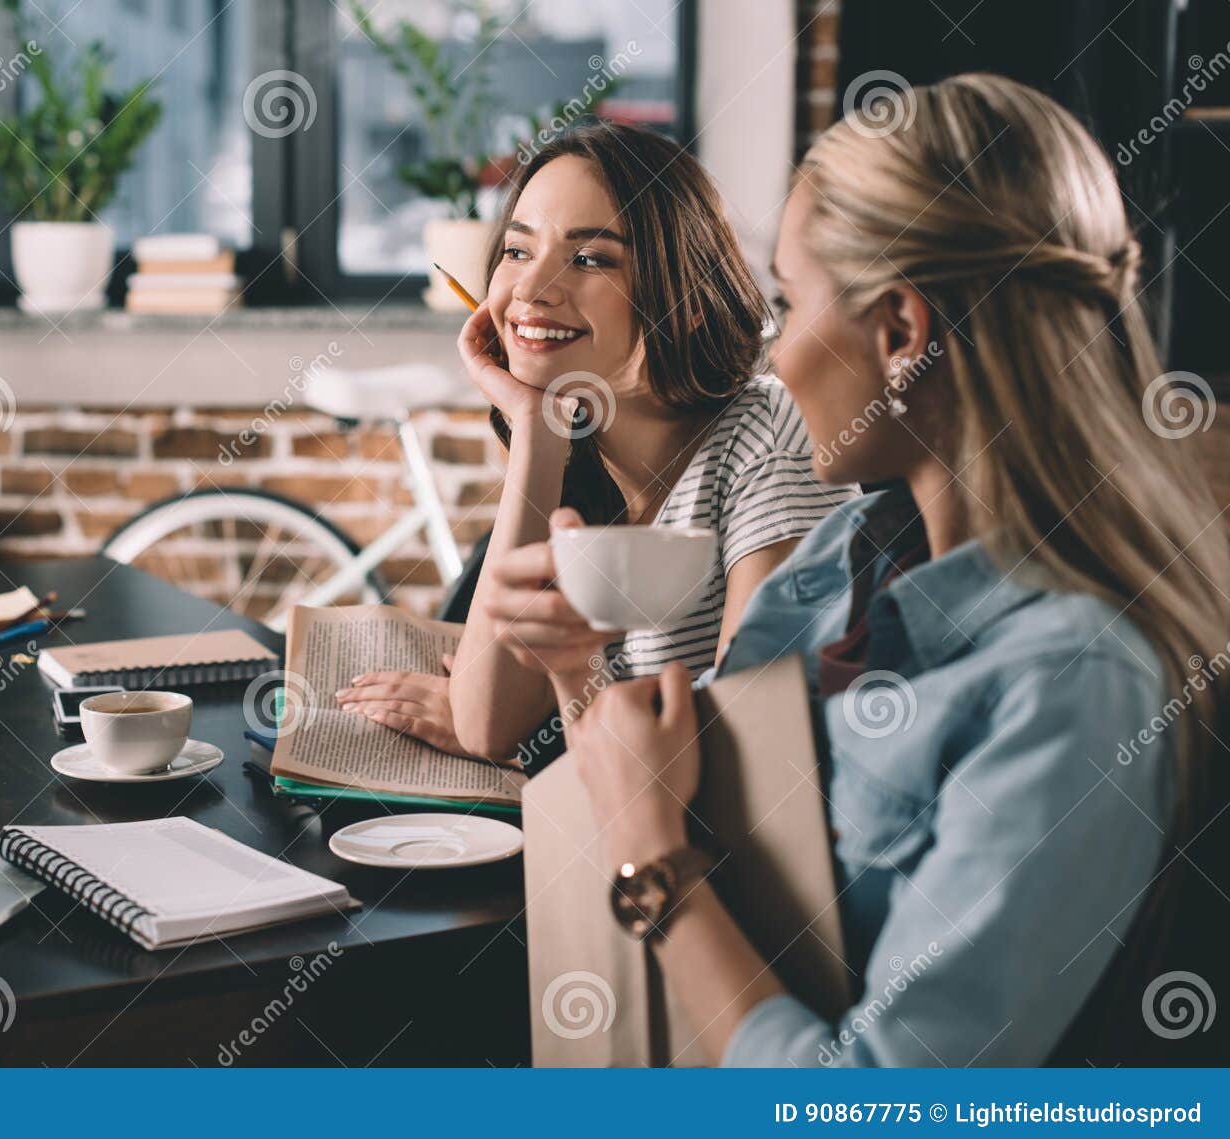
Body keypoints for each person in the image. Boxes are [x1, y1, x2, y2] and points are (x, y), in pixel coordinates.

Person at [485, 73, 1230, 1065]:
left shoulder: (1073, 682)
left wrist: (654, 869)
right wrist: (577, 670)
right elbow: (667, 788)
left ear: (899, 335)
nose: (774, 352)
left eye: (789, 305)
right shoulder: (844, 556)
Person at [337, 122, 856, 763]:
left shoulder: (772, 443)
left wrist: (560, 703)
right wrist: (535, 432)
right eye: (518, 251)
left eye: (590, 259)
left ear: (687, 298)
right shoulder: (575, 451)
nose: (530, 291)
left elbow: (749, 750)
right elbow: (486, 725)